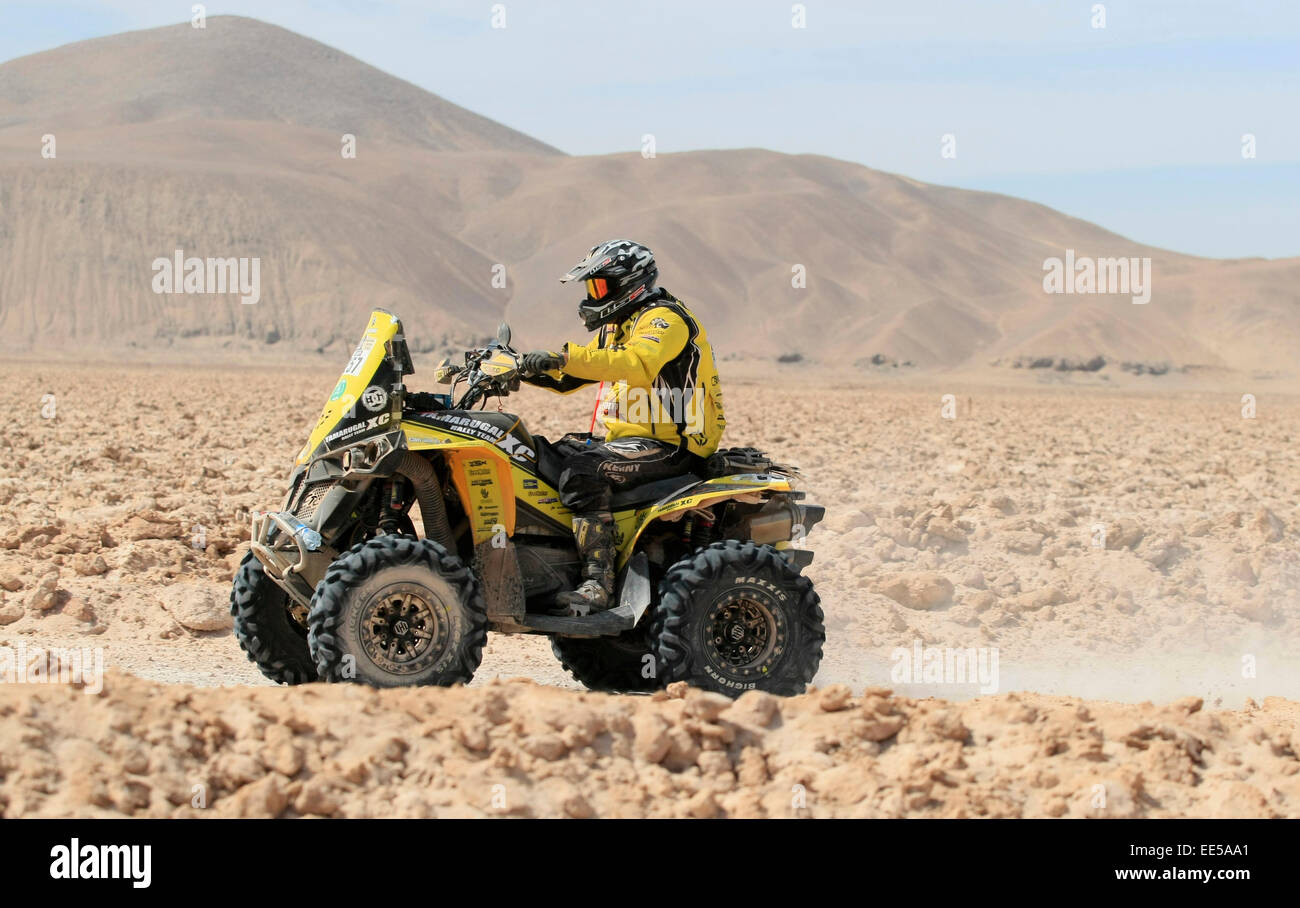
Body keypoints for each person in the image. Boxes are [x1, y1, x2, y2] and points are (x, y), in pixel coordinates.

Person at [520, 239, 726, 614]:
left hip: (672, 445)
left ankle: (598, 582)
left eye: (598, 286)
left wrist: (562, 357)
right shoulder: (619, 325)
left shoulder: (664, 319)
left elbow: (634, 362)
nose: (592, 296)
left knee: (583, 470)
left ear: (627, 282)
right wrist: (519, 368)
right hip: (629, 440)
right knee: (533, 454)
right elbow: (571, 377)